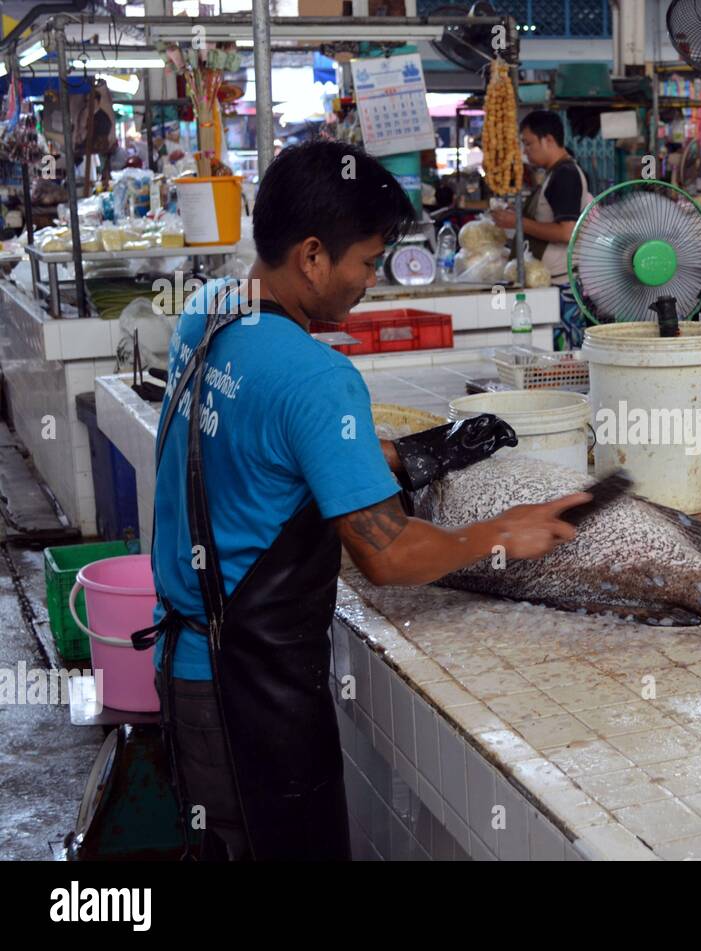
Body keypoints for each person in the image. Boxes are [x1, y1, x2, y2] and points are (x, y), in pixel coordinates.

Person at [139, 140, 590, 861]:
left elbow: (255, 449)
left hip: (185, 667)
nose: (371, 282)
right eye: (368, 262)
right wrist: (503, 532)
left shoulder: (210, 309)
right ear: (312, 255)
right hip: (256, 701)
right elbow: (387, 553)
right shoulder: (317, 378)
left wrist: (398, 457)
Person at [488, 110, 593, 349]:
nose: (525, 151)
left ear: (548, 139)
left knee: (564, 358)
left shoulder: (565, 175)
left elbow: (567, 233)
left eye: (528, 143)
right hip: (551, 283)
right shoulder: (555, 174)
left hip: (562, 286)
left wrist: (516, 222)